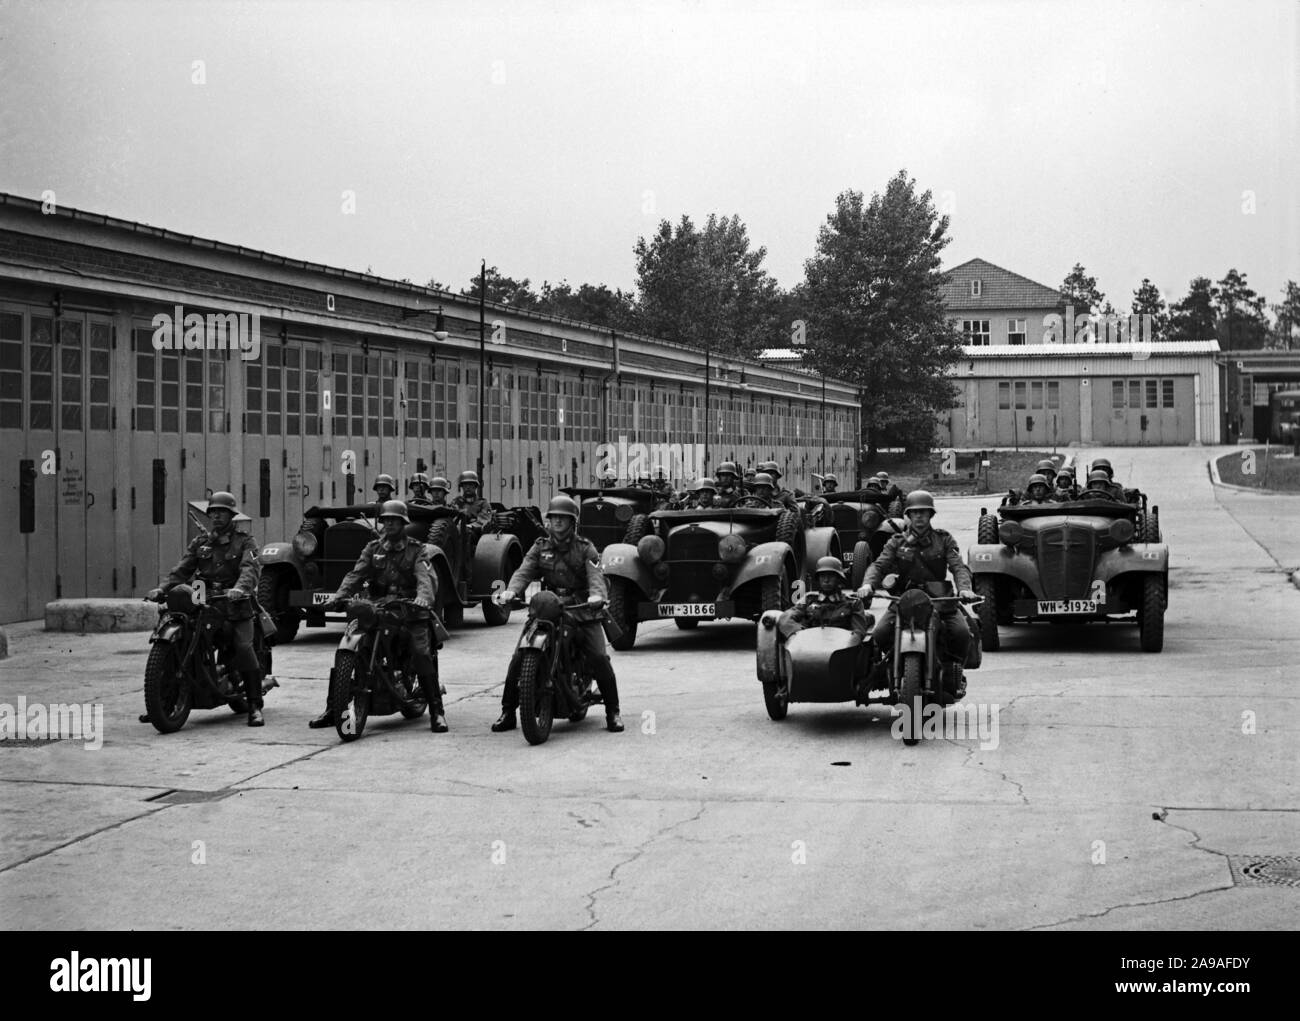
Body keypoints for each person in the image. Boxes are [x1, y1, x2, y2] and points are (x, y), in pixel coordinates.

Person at [310, 500, 446, 733]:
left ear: (403, 523)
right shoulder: (373, 548)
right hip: (378, 605)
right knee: (350, 644)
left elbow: (424, 577)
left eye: (394, 520)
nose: (389, 524)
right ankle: (334, 708)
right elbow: (356, 574)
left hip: (409, 607)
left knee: (420, 651)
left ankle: (436, 711)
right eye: (386, 520)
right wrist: (339, 596)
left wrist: (423, 598)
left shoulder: (416, 549)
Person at [491, 495, 622, 733]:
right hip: (548, 606)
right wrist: (511, 591)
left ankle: (613, 711)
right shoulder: (540, 546)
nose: (558, 522)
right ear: (548, 521)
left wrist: (596, 596)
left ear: (572, 522)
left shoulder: (585, 547)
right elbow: (524, 570)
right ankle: (508, 712)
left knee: (598, 657)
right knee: (518, 658)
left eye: (563, 518)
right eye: (554, 518)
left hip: (581, 607)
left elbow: (596, 575)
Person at [145, 491, 266, 726]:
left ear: (231, 515)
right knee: (187, 635)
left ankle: (254, 705)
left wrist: (240, 589)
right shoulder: (201, 542)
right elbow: (182, 569)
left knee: (242, 646)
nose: (217, 515)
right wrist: (162, 589)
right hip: (204, 599)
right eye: (213, 512)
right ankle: (163, 703)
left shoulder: (245, 541)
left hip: (234, 603)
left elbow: (250, 569)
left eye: (222, 512)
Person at [857, 490, 975, 701]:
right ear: (908, 516)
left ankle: (953, 672)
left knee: (961, 632)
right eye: (915, 512)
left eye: (924, 512)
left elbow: (958, 566)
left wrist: (964, 588)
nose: (919, 516)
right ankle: (890, 671)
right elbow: (879, 565)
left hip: (939, 599)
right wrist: (867, 584)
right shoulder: (897, 541)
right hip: (906, 599)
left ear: (931, 515)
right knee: (880, 634)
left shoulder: (943, 539)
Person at [777, 556, 872, 640]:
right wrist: (801, 635)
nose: (826, 580)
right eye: (822, 576)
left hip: (840, 651)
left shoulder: (853, 603)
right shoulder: (808, 600)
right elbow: (786, 618)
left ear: (839, 578)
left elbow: (858, 633)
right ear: (818, 579)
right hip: (810, 650)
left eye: (831, 576)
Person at [452, 470, 493, 541]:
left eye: (471, 485)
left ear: (475, 486)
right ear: (462, 487)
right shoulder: (456, 502)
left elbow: (484, 520)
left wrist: (470, 526)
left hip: (475, 535)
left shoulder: (483, 503)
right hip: (456, 531)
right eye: (465, 485)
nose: (468, 487)